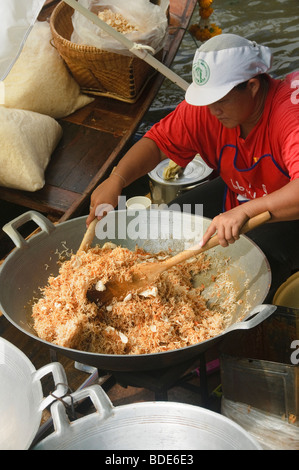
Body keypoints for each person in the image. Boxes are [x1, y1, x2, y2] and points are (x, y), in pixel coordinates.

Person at [87, 33, 299, 300]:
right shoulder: (209, 108)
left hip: (291, 213)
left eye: (220, 100)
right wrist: (116, 179)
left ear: (253, 86)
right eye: (207, 100)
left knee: (253, 263)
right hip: (245, 190)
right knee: (168, 220)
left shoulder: (289, 116)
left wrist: (245, 210)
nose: (212, 111)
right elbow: (157, 143)